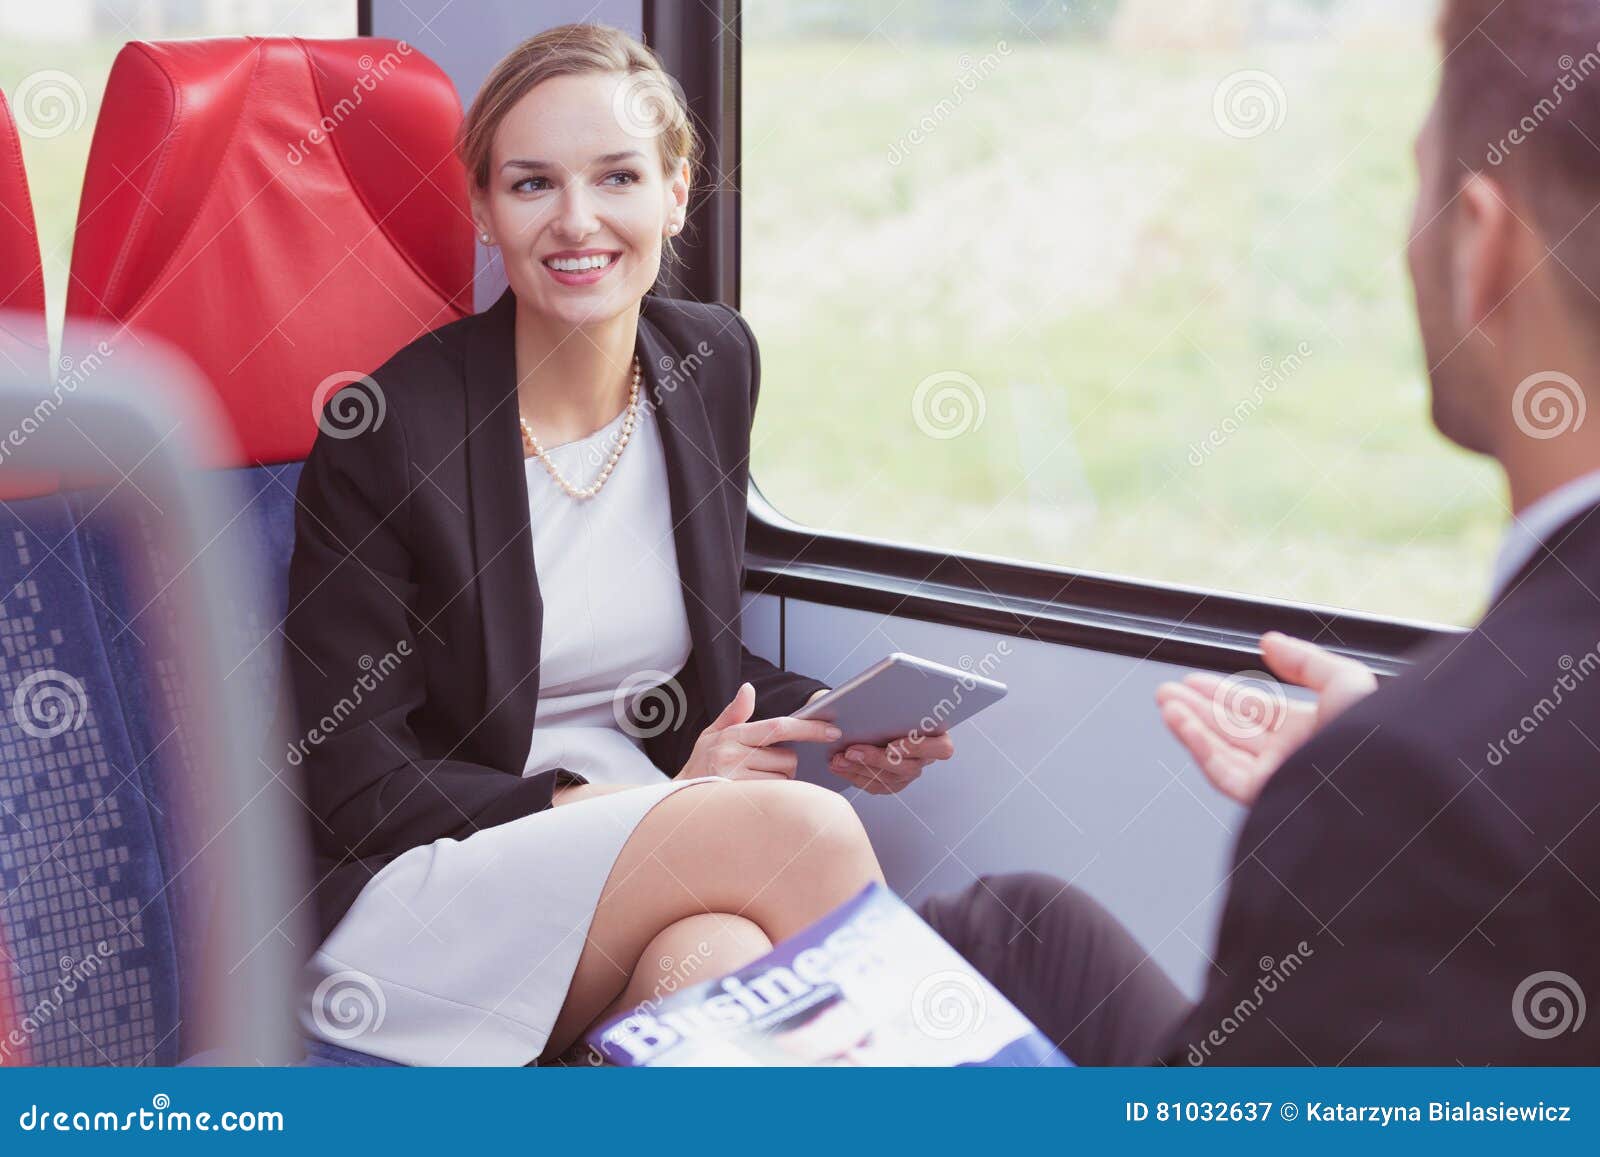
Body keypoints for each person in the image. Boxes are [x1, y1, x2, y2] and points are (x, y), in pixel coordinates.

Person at [920, 0, 1600, 1065]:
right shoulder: (1432, 767)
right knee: (1017, 928)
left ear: (1484, 246)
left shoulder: (1415, 800)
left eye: (1413, 184)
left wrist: (1413, 775)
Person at [284, 24, 953, 1066]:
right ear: (483, 208)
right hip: (436, 881)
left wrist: (830, 723)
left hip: (637, 844)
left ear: (676, 193)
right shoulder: (390, 428)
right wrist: (641, 802)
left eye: (618, 177)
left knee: (717, 954)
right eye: (533, 184)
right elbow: (351, 771)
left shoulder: (710, 361)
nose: (578, 220)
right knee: (800, 832)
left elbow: (687, 665)